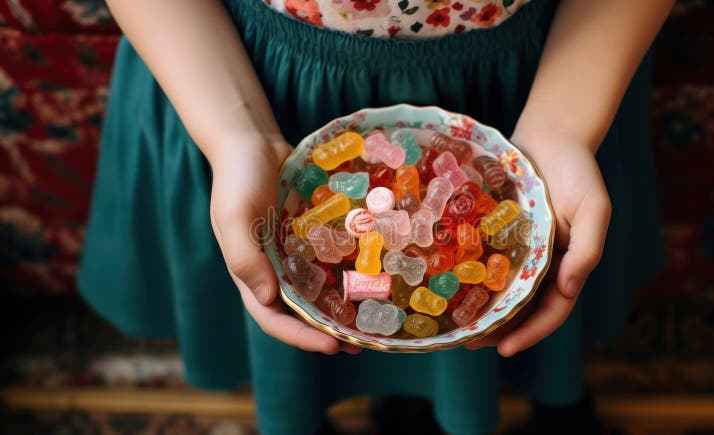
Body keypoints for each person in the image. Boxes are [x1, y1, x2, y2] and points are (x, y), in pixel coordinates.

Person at [78, 0, 671, 433]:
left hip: (544, 74)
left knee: (519, 304)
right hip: (231, 73)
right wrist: (237, 136)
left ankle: (544, 401)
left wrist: (564, 127)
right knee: (293, 322)